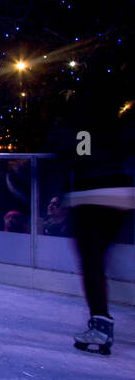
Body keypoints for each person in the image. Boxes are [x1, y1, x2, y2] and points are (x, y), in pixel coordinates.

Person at [49, 90, 135, 355]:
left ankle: (100, 324)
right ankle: (101, 321)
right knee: (102, 259)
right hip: (122, 196)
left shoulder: (77, 127)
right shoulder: (116, 125)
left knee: (93, 263)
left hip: (90, 196)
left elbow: (71, 159)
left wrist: (62, 195)